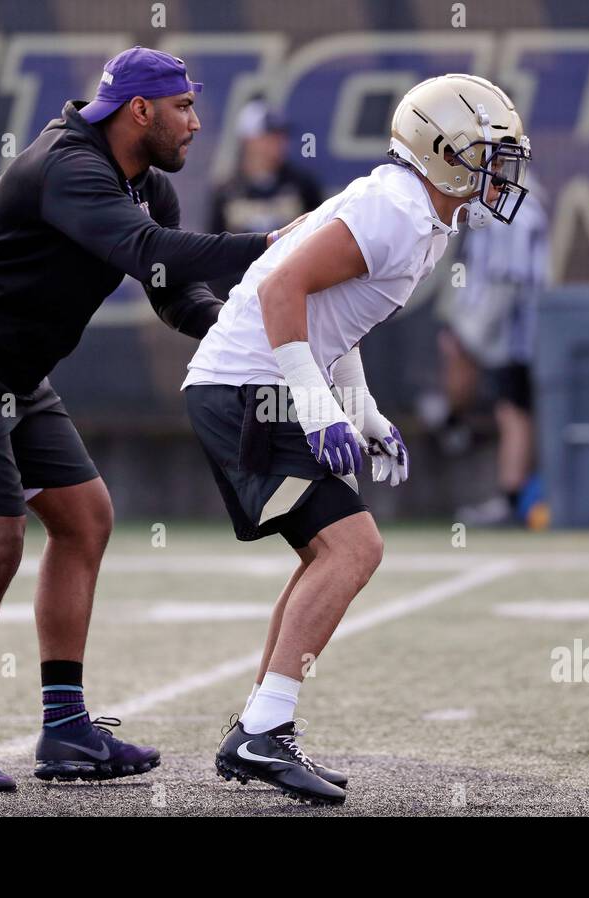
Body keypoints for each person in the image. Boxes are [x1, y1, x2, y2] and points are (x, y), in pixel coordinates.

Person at [0, 46, 300, 793]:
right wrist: (273, 248)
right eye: (184, 108)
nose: (197, 124)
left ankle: (67, 731)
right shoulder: (67, 165)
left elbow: (173, 293)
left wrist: (251, 338)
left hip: (12, 371)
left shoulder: (150, 189)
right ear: (140, 110)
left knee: (85, 518)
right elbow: (144, 249)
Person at [181, 74, 531, 804]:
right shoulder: (396, 210)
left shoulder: (423, 217)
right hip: (249, 385)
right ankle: (263, 731)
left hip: (255, 379)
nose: (499, 171)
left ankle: (260, 726)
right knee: (354, 547)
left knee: (325, 551)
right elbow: (281, 290)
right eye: (487, 153)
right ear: (443, 151)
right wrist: (315, 405)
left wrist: (360, 409)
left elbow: (338, 319)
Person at [446, 176, 550, 526]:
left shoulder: (515, 212)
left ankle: (512, 497)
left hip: (514, 332)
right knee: (511, 408)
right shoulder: (504, 207)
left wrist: (473, 332)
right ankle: (455, 425)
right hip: (509, 329)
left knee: (513, 410)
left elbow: (508, 279)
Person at [207, 99, 323, 298]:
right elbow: (215, 251)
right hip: (240, 294)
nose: (278, 143)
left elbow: (321, 237)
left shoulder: (302, 185)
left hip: (293, 290)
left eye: (281, 136)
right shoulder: (226, 191)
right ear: (248, 141)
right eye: (269, 136)